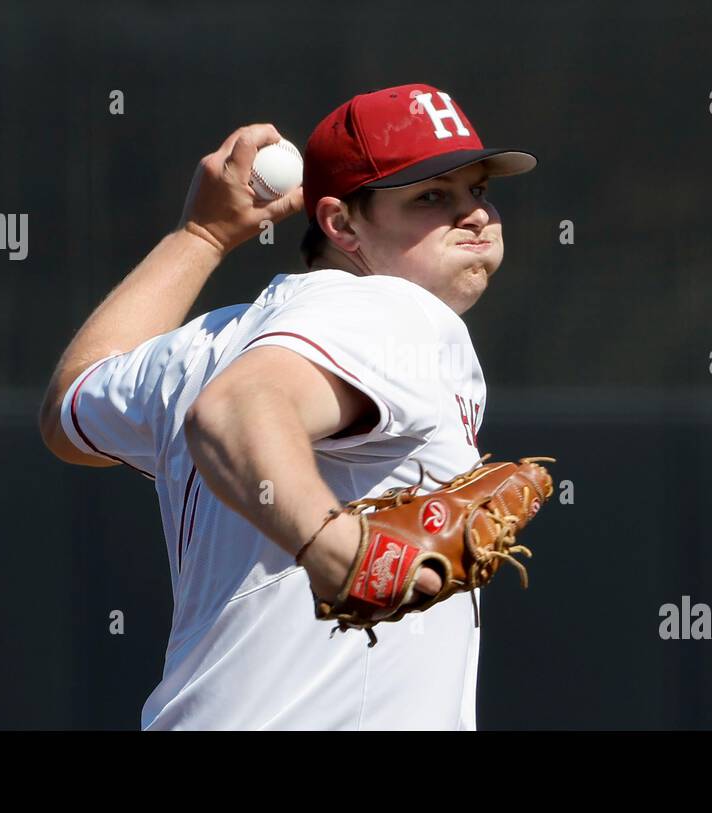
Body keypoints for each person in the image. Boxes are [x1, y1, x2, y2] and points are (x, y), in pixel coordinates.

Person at [38, 83, 536, 730]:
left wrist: (200, 236)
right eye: (431, 197)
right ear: (341, 223)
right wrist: (336, 548)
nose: (473, 216)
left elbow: (70, 409)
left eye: (479, 191)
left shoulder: (204, 343)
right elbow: (237, 410)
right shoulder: (393, 309)